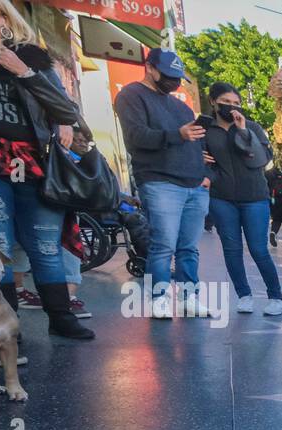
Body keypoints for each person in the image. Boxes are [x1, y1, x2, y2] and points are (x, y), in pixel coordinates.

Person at [0, 0, 90, 340]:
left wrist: (21, 69)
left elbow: (65, 109)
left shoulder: (32, 55)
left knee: (46, 244)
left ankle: (62, 317)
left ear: (6, 15)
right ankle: (7, 329)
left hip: (34, 162)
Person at [114, 47, 211, 320]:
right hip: (159, 181)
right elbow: (135, 137)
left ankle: (189, 298)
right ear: (150, 68)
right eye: (168, 75)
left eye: (178, 77)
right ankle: (159, 298)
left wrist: (206, 176)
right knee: (163, 244)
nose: (174, 82)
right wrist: (177, 135)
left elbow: (196, 142)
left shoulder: (181, 105)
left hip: (194, 183)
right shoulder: (131, 95)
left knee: (188, 247)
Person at [200, 83, 282, 317]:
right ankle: (244, 295)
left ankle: (276, 296)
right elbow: (198, 161)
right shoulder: (206, 131)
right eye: (227, 101)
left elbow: (262, 159)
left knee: (259, 249)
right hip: (222, 198)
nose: (232, 107)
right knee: (232, 249)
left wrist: (244, 132)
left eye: (236, 103)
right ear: (214, 102)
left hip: (255, 198)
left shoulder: (253, 128)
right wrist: (201, 161)